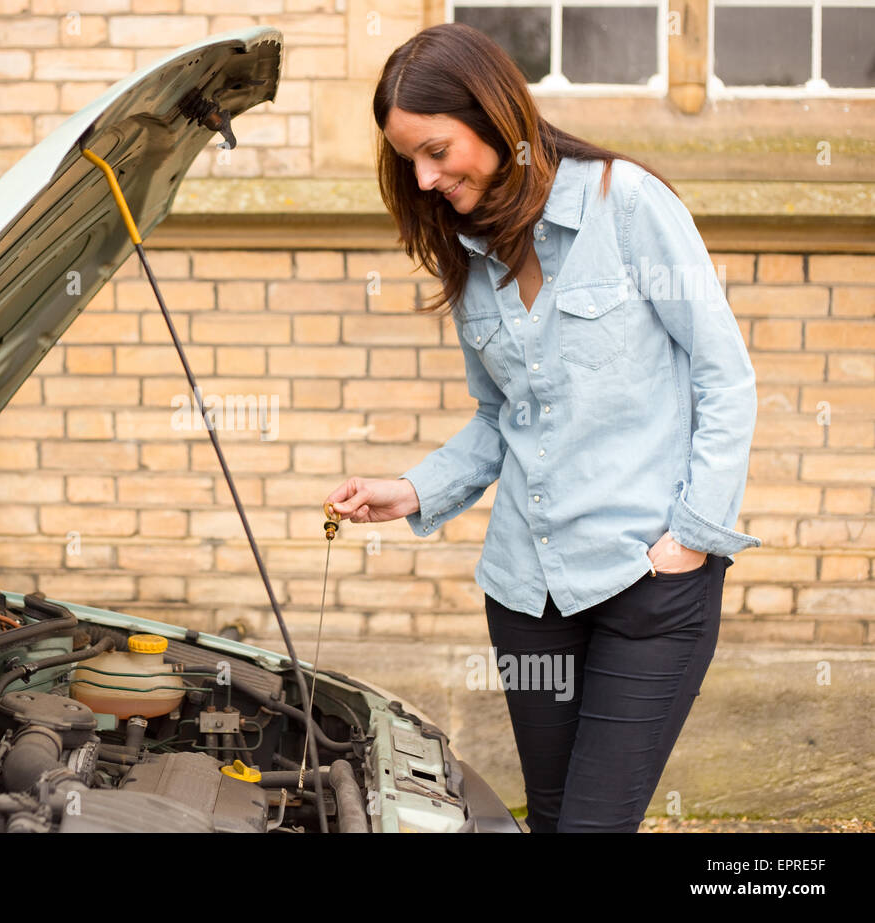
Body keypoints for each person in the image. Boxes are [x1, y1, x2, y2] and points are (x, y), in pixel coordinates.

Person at [324, 23, 762, 833]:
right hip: (528, 593)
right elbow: (501, 419)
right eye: (407, 160)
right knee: (555, 817)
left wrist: (693, 537)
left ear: (494, 117)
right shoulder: (468, 256)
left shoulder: (624, 203)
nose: (423, 179)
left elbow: (723, 374)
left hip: (650, 587)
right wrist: (413, 490)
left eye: (436, 150)